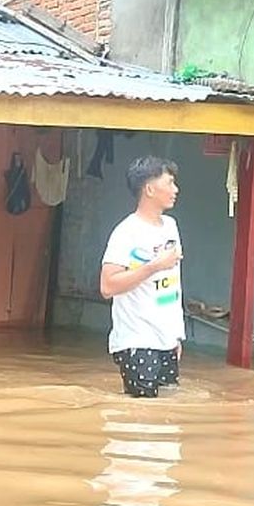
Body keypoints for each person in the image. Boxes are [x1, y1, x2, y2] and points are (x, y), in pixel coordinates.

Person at [99, 156, 185, 398]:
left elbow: (171, 288)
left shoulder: (170, 226)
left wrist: (175, 336)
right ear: (149, 189)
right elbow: (107, 286)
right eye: (169, 183)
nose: (175, 189)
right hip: (137, 340)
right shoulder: (126, 232)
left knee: (166, 414)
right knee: (141, 413)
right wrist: (152, 267)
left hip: (167, 340)